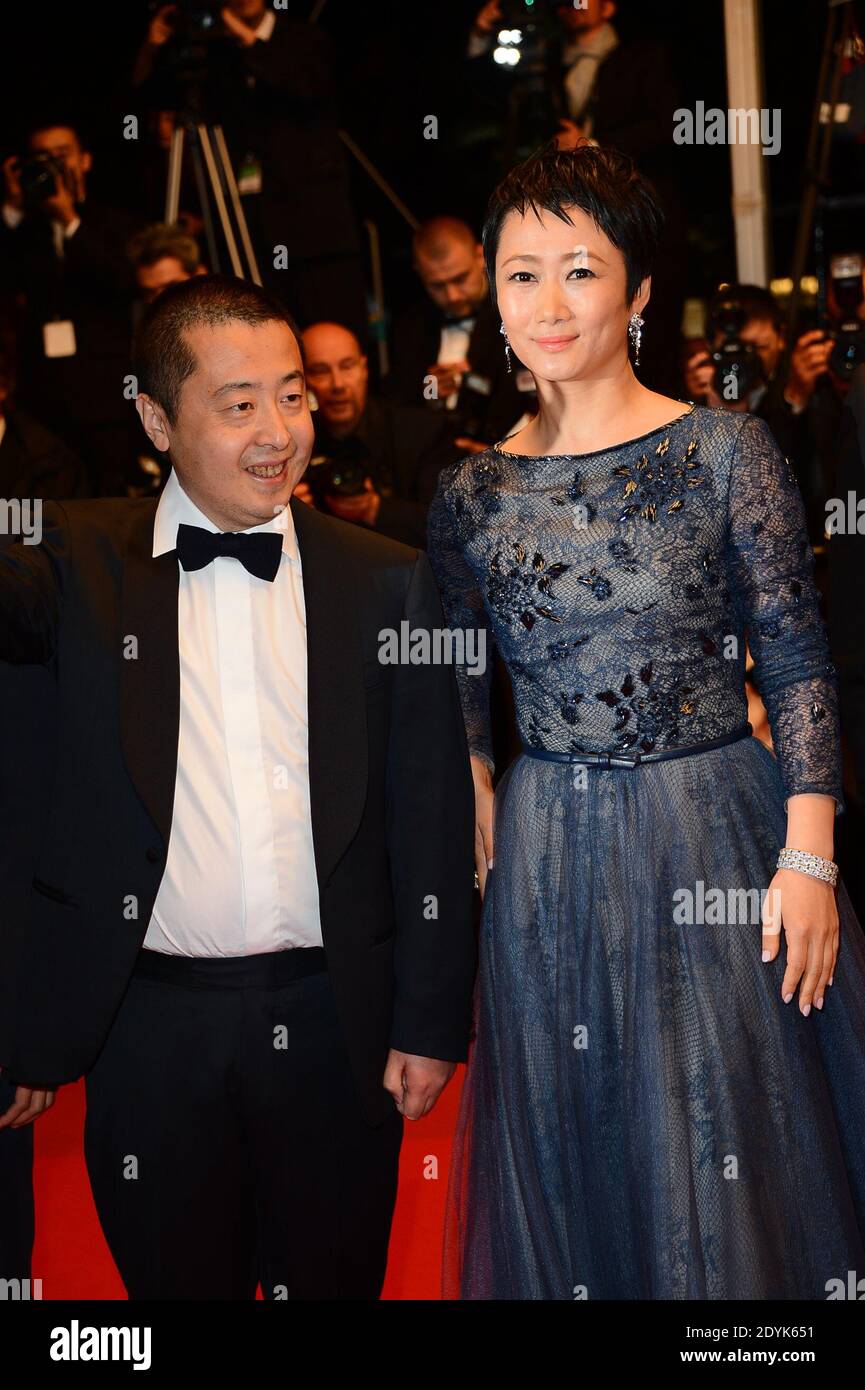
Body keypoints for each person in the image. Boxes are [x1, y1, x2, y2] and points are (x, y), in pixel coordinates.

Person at [426, 141, 865, 1299]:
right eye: (519, 274)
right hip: (547, 854)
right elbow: (457, 670)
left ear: (640, 290)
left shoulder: (724, 451)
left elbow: (801, 660)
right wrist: (474, 774)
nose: (549, 302)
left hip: (708, 827)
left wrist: (808, 853)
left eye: (580, 269)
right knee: (575, 1143)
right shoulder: (468, 491)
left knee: (714, 1136)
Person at [0, 274, 476, 1300]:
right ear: (156, 417)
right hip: (149, 1026)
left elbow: (429, 812)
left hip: (335, 1020)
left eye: (292, 395)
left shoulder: (388, 577)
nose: (279, 431)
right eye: (238, 404)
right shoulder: (75, 555)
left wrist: (430, 1018)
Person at [0, 122, 138, 497]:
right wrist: (12, 207)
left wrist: (67, 218)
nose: (53, 164)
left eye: (61, 154)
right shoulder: (25, 232)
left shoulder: (116, 222)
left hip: (106, 394)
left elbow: (122, 281)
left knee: (110, 498)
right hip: (43, 395)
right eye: (42, 158)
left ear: (85, 160)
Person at [298, 321, 460, 549]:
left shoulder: (420, 432)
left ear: (364, 369)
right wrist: (289, 513)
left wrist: (376, 509)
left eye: (347, 366)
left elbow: (455, 529)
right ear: (301, 380)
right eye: (320, 371)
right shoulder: (293, 445)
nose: (337, 384)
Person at [388, 217, 536, 452]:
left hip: (518, 454)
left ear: (480, 256)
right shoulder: (411, 328)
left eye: (460, 279)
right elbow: (404, 404)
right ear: (419, 273)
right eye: (437, 285)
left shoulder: (519, 309)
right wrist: (432, 391)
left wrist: (504, 453)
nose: (453, 295)